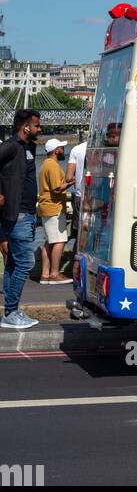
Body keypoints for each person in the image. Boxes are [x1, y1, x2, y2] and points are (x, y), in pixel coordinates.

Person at [0, 109, 42, 329]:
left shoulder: (27, 147)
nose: (39, 129)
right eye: (36, 125)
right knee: (26, 262)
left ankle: (9, 312)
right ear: (26, 127)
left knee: (14, 263)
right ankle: (12, 311)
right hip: (18, 215)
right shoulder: (11, 146)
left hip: (26, 214)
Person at [38, 138, 74, 284]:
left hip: (46, 207)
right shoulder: (52, 166)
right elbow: (57, 188)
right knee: (60, 240)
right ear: (55, 150)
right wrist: (73, 182)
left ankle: (45, 275)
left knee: (50, 242)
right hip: (54, 208)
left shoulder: (45, 164)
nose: (63, 150)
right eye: (61, 148)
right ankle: (54, 274)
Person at [67, 138, 87, 242]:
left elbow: (69, 177)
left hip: (80, 196)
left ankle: (79, 254)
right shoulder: (104, 146)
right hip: (101, 196)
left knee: (79, 231)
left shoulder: (76, 149)